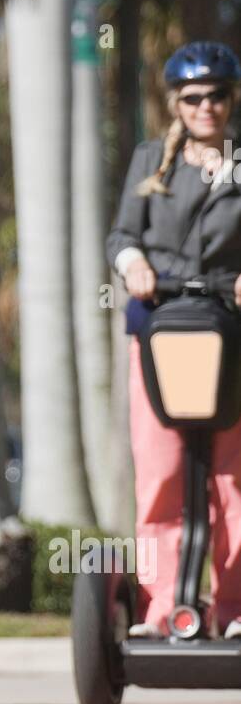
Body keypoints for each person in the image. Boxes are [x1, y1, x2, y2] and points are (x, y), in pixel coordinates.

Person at [106, 40, 241, 639]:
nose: (206, 107)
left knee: (232, 477)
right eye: (193, 97)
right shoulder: (149, 162)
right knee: (160, 470)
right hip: (160, 333)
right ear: (175, 103)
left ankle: (234, 609)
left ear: (231, 99)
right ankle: (164, 607)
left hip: (230, 334)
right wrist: (133, 263)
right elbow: (120, 236)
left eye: (217, 95)